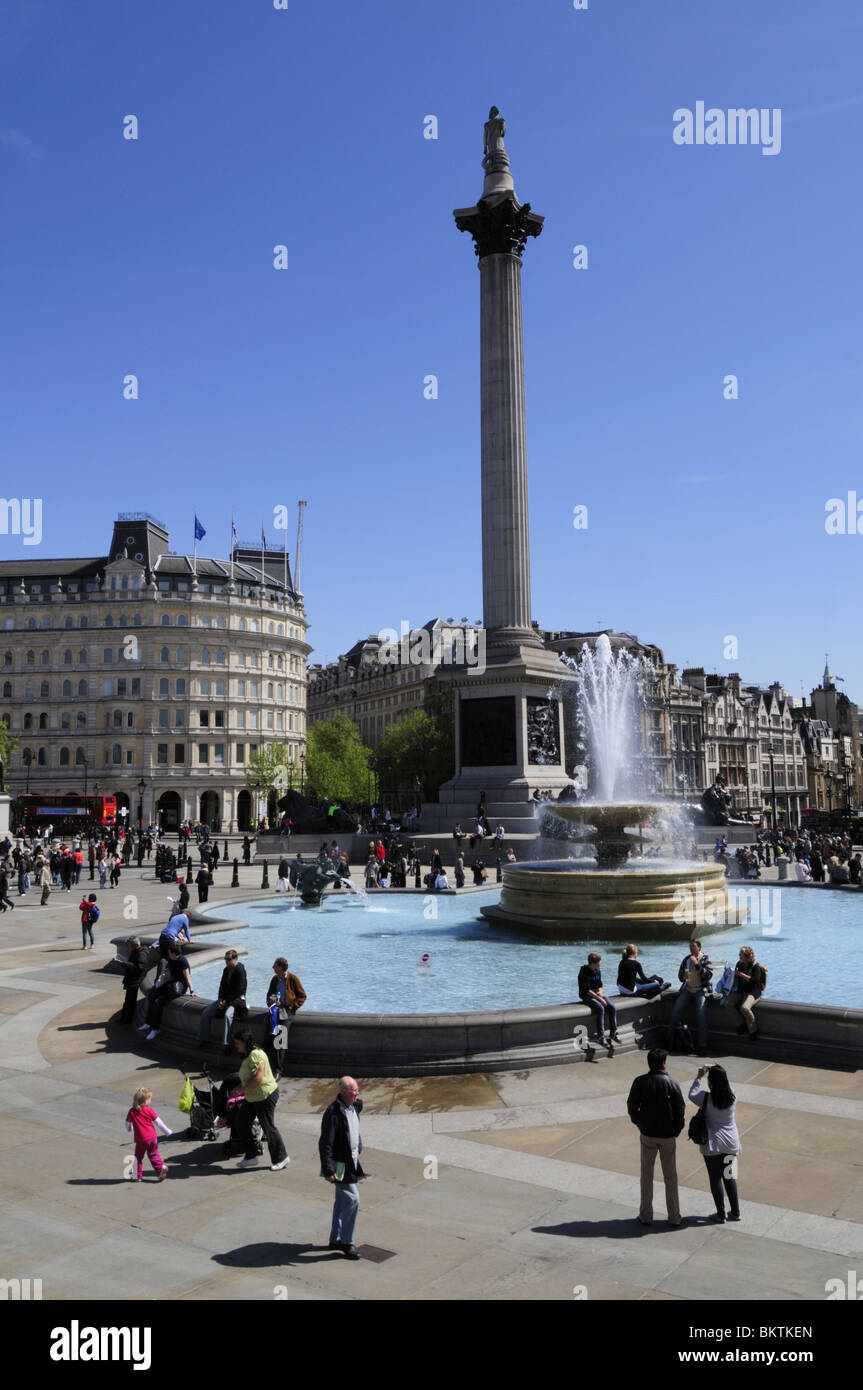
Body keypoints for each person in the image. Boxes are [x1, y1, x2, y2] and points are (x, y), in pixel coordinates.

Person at [626, 1047, 685, 1226]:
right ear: (664, 1063)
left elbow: (631, 1106)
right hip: (668, 1136)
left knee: (646, 1175)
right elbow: (680, 1109)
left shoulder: (640, 1082)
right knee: (670, 1176)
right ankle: (674, 1216)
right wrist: (676, 1129)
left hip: (648, 1134)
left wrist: (639, 1123)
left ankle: (645, 1215)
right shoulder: (672, 1084)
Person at [688, 1064, 741, 1222]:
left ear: (711, 1082)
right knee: (729, 1176)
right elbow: (723, 1083)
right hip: (731, 1143)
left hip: (713, 1144)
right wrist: (717, 1067)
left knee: (715, 1177)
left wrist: (699, 1077)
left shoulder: (705, 1098)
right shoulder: (733, 1095)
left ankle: (720, 1214)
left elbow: (691, 1094)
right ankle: (735, 1212)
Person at [319, 1076, 365, 1259]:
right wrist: (329, 1170)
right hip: (340, 1164)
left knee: (342, 1201)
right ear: (344, 1092)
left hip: (351, 1160)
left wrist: (358, 1145)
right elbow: (325, 1143)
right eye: (354, 1090)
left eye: (357, 1089)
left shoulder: (353, 1107)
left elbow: (354, 1128)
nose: (357, 1093)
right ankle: (347, 1242)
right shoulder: (333, 1113)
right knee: (353, 1200)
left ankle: (336, 1238)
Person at [230, 1030, 290, 1170]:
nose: (236, 1046)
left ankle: (282, 1158)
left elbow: (258, 1078)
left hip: (265, 1095)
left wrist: (240, 1091)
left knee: (268, 1127)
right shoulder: (248, 1055)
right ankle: (251, 1156)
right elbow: (249, 1078)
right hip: (253, 1096)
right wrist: (239, 1088)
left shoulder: (256, 1054)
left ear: (245, 1042)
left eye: (238, 1043)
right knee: (241, 1123)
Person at [141, 943, 196, 1040]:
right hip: (171, 983)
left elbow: (187, 977)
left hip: (179, 986)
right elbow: (168, 970)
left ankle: (155, 1029)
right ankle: (147, 1023)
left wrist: (192, 991)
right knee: (152, 996)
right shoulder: (171, 959)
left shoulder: (182, 961)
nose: (168, 954)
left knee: (159, 1001)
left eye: (169, 953)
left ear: (174, 954)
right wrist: (161, 977)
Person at [668, 938, 713, 1057]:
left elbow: (708, 975)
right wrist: (683, 976)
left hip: (701, 990)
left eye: (693, 946)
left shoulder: (705, 958)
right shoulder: (686, 959)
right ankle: (670, 1042)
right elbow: (680, 976)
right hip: (687, 989)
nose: (691, 948)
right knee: (675, 1012)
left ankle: (702, 1046)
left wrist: (697, 964)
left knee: (702, 1015)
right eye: (690, 946)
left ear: (699, 947)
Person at [198, 949, 248, 1051]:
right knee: (206, 1013)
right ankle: (204, 1039)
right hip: (225, 1000)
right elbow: (221, 987)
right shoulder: (226, 970)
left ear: (235, 958)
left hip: (236, 1001)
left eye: (229, 959)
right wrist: (220, 999)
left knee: (227, 1015)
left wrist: (225, 1003)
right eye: (226, 959)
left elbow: (239, 992)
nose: (227, 961)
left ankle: (226, 1044)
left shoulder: (240, 970)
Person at [266, 957, 307, 1079]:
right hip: (276, 1010)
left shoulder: (293, 979)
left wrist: (291, 1007)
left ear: (280, 967)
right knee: (269, 1035)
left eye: (275, 965)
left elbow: (302, 996)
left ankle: (278, 1070)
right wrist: (273, 1002)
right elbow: (269, 995)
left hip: (286, 1011)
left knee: (281, 1038)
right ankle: (269, 1067)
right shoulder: (275, 979)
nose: (273, 967)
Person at [125, 1087, 171, 1181]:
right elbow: (159, 1122)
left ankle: (137, 1176)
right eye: (149, 1099)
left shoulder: (132, 1111)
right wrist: (167, 1131)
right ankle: (161, 1167)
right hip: (153, 1138)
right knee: (153, 1154)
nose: (150, 1101)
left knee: (138, 1157)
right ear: (144, 1101)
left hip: (141, 1139)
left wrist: (130, 1129)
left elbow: (127, 1124)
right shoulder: (149, 1110)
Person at [724, 946, 766, 1041]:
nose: (739, 956)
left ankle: (753, 1030)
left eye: (741, 955)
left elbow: (755, 981)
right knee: (728, 1003)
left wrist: (742, 975)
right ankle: (741, 1024)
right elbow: (735, 976)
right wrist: (729, 973)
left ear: (747, 956)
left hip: (753, 992)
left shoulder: (756, 967)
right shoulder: (739, 964)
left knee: (744, 1008)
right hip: (741, 990)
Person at [578, 952, 620, 1045]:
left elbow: (600, 985)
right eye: (599, 962)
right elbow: (587, 990)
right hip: (587, 996)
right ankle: (600, 1036)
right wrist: (600, 999)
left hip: (597, 994)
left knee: (612, 1007)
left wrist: (600, 994)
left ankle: (613, 1033)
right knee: (600, 1008)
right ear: (594, 963)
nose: (600, 963)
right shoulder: (584, 971)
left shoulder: (597, 970)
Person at [117, 936, 151, 1025]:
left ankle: (127, 1019)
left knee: (130, 1001)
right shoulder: (138, 951)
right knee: (128, 1000)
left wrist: (126, 964)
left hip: (134, 980)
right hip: (132, 979)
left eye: (130, 946)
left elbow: (140, 967)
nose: (129, 947)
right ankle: (124, 1018)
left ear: (136, 945)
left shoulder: (141, 954)